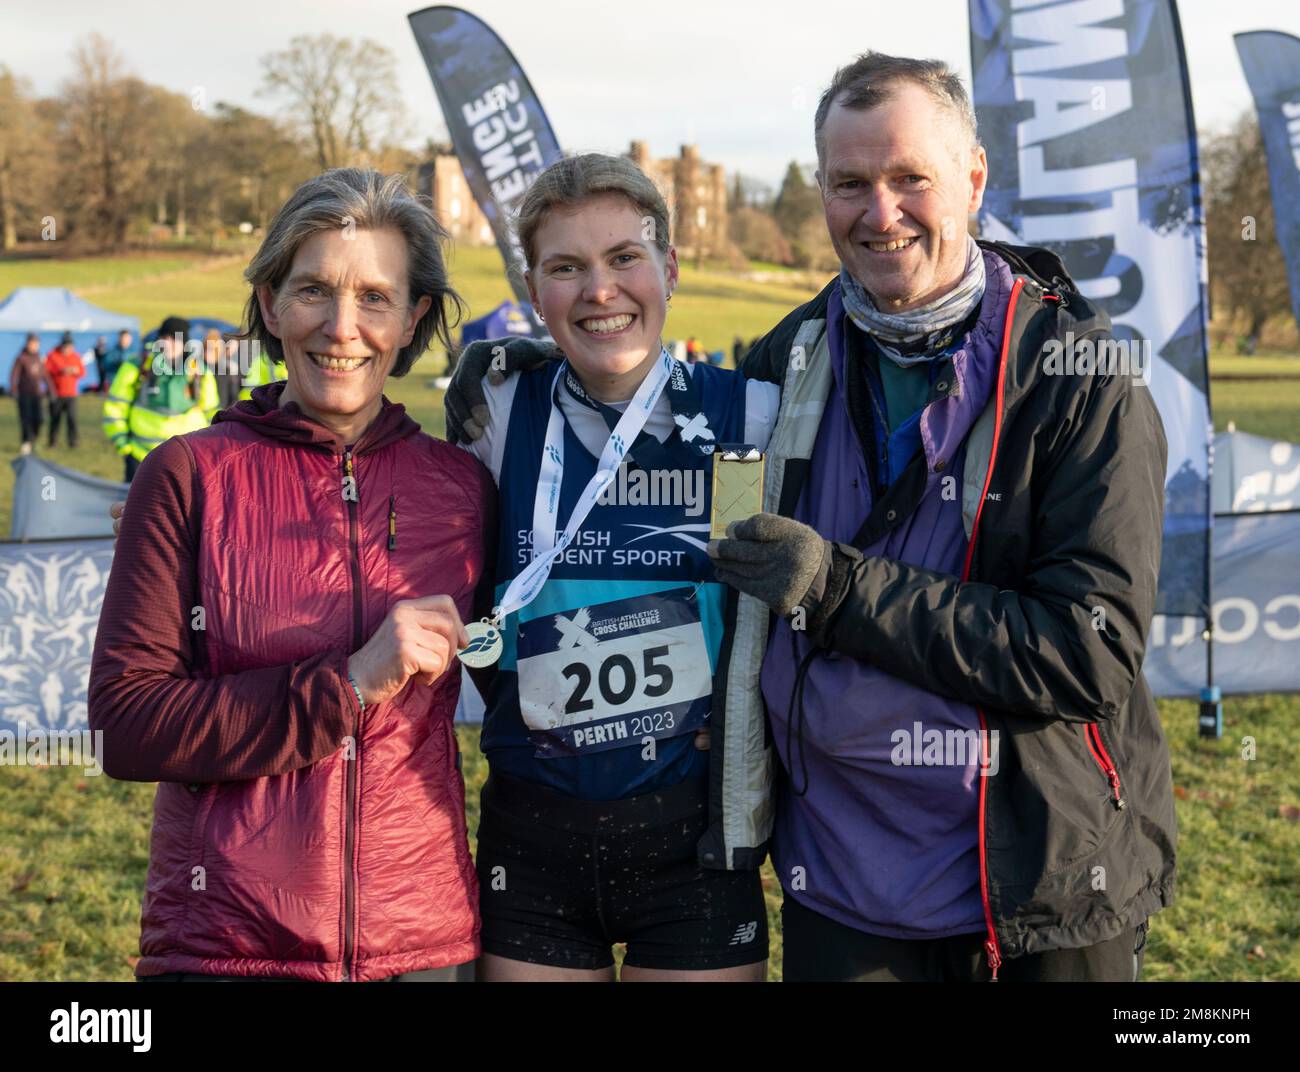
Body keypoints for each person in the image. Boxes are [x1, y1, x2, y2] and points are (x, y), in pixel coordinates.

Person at [446, 53, 1176, 984]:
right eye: (850, 184)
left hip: (1034, 885)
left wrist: (837, 588)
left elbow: (1090, 654)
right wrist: (540, 362)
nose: (882, 212)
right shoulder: (785, 363)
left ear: (974, 177)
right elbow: (639, 383)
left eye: (911, 177)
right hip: (841, 888)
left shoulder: (1082, 380)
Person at [89, 167, 490, 982]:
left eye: (375, 297)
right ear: (270, 304)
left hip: (423, 948)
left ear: (414, 317)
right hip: (229, 948)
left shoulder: (463, 489)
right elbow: (126, 723)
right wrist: (346, 683)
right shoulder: (187, 475)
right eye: (314, 290)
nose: (343, 328)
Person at [456, 153, 779, 981]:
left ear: (668, 268)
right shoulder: (497, 412)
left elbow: (759, 592)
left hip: (694, 835)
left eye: (624, 258)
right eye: (567, 268)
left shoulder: (747, 416)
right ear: (535, 291)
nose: (600, 290)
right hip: (534, 830)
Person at [102, 317, 219, 482]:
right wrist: (123, 445)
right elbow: (116, 405)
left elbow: (212, 413)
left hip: (187, 460)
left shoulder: (199, 371)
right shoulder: (138, 367)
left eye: (174, 339)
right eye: (164, 338)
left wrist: (209, 450)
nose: (168, 344)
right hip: (140, 456)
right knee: (138, 507)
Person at [8, 333, 53, 454]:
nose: (34, 346)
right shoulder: (21, 357)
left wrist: (51, 390)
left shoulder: (39, 358)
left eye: (36, 343)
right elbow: (14, 374)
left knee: (39, 418)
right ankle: (26, 442)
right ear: (27, 343)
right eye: (31, 343)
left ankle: (33, 439)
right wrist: (13, 389)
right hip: (24, 393)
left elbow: (45, 375)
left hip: (37, 394)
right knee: (26, 419)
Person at [45, 332, 84, 448]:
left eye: (70, 346)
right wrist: (61, 371)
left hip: (71, 394)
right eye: (66, 346)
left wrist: (75, 371)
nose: (68, 349)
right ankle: (53, 442)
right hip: (56, 394)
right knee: (55, 419)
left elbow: (82, 372)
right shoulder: (53, 355)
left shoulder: (75, 357)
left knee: (72, 419)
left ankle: (73, 442)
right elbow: (46, 371)